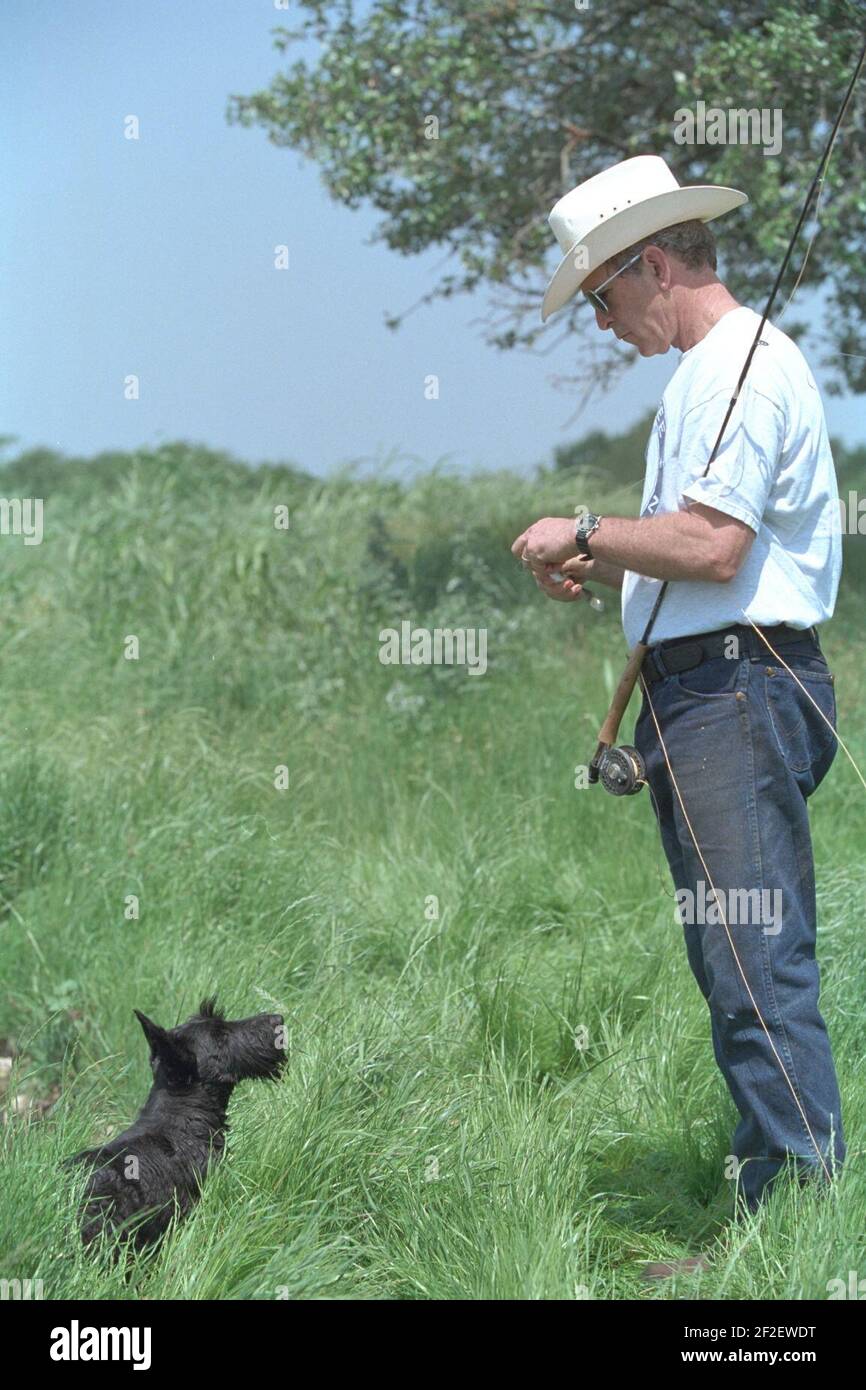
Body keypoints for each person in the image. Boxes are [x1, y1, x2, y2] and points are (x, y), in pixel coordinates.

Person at [512, 155, 845, 1276]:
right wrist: (600, 556)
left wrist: (587, 527)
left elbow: (712, 546)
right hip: (711, 689)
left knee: (753, 964)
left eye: (601, 299)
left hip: (735, 691)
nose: (602, 324)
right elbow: (698, 555)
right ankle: (778, 1217)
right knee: (733, 962)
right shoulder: (708, 372)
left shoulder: (734, 370)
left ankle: (794, 1238)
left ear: (652, 265)